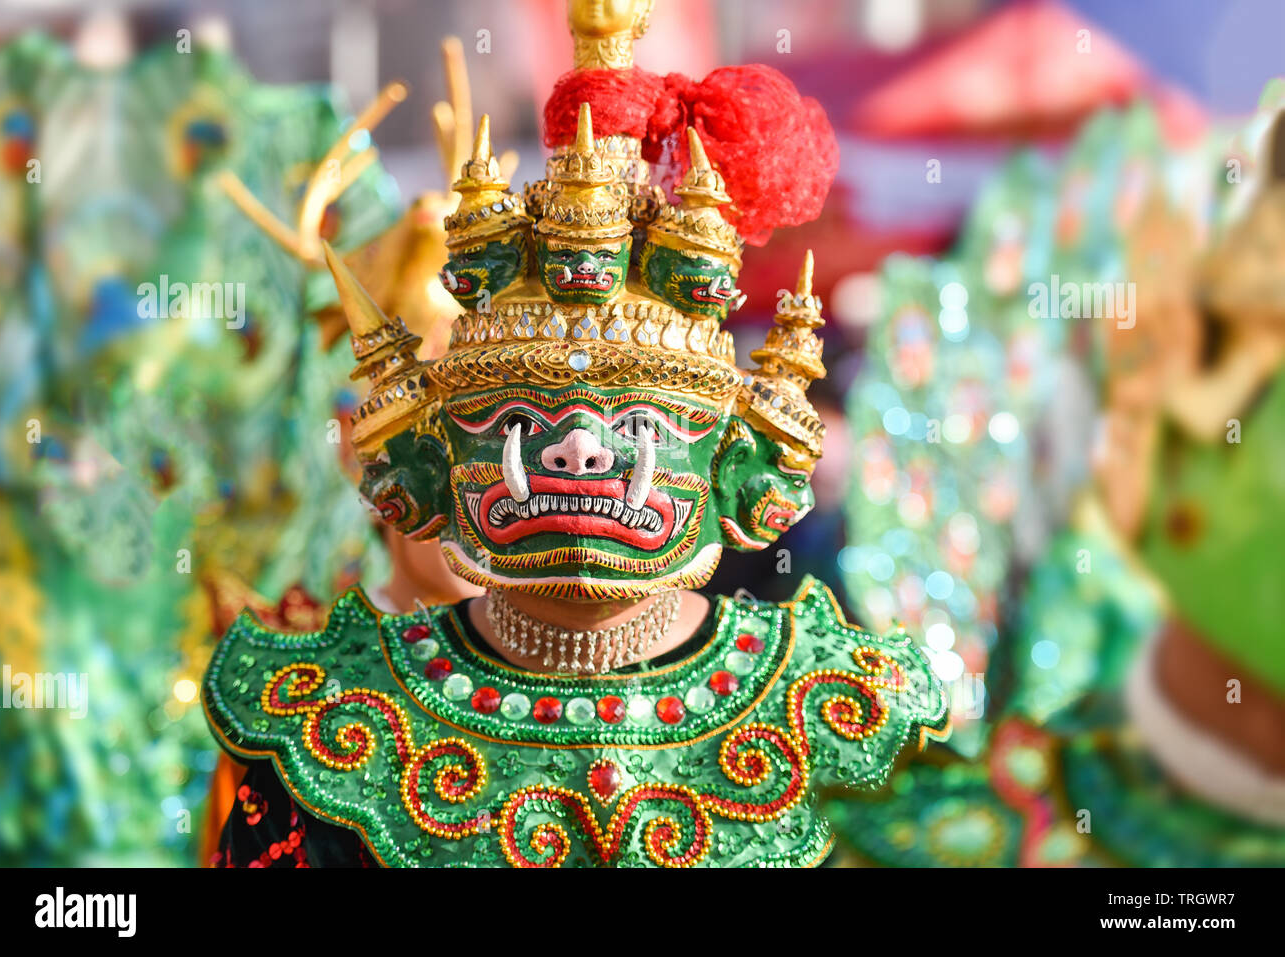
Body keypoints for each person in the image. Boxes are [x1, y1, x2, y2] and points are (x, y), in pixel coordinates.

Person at [203, 0, 948, 868]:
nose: (581, 451)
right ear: (427, 453)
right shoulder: (328, 727)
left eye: (642, 420)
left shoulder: (845, 716)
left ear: (736, 455)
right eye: (519, 417)